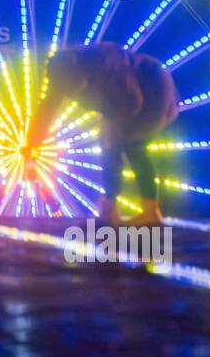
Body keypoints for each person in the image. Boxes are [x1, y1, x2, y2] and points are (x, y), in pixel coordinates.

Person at [46, 43, 178, 225]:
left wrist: (112, 131)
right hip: (135, 97)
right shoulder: (64, 74)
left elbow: (130, 101)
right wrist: (31, 143)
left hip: (153, 93)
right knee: (120, 147)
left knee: (131, 147)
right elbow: (46, 108)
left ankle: (137, 211)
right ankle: (122, 209)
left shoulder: (106, 67)